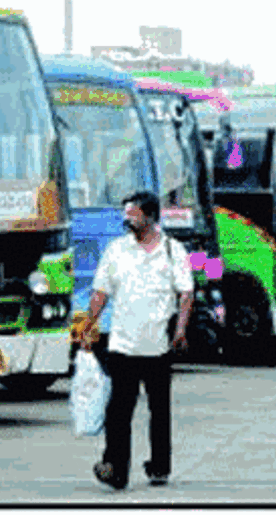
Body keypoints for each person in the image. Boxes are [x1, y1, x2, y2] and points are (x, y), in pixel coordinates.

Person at [76, 191, 194, 490]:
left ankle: (159, 467)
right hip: (123, 345)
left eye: (133, 213)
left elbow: (186, 293)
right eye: (126, 213)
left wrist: (180, 330)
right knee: (118, 411)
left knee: (159, 411)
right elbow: (101, 291)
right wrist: (88, 325)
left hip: (158, 346)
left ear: (150, 216)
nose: (127, 218)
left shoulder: (173, 250)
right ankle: (116, 469)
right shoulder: (117, 250)